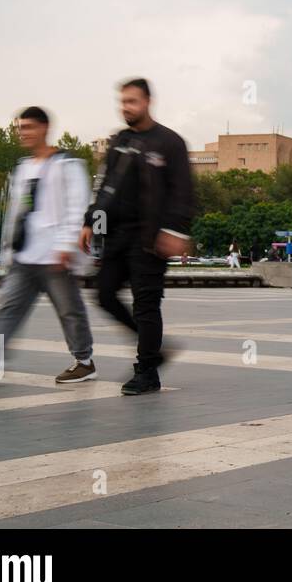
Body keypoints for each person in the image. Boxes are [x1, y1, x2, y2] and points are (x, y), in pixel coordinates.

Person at [0, 107, 96, 384]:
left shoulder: (68, 165)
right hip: (26, 254)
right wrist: (9, 249)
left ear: (44, 129)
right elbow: (16, 211)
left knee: (69, 309)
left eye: (28, 127)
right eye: (19, 128)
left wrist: (65, 246)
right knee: (8, 307)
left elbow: (77, 207)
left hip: (54, 255)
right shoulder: (24, 167)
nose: (22, 133)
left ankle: (84, 360)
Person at [80, 78, 194, 396]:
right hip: (118, 235)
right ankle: (155, 352)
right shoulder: (119, 141)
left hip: (151, 238)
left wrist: (174, 231)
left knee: (146, 304)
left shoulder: (169, 142)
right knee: (103, 293)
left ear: (147, 102)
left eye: (132, 101)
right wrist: (91, 221)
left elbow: (183, 193)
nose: (126, 107)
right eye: (122, 102)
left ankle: (147, 371)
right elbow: (105, 186)